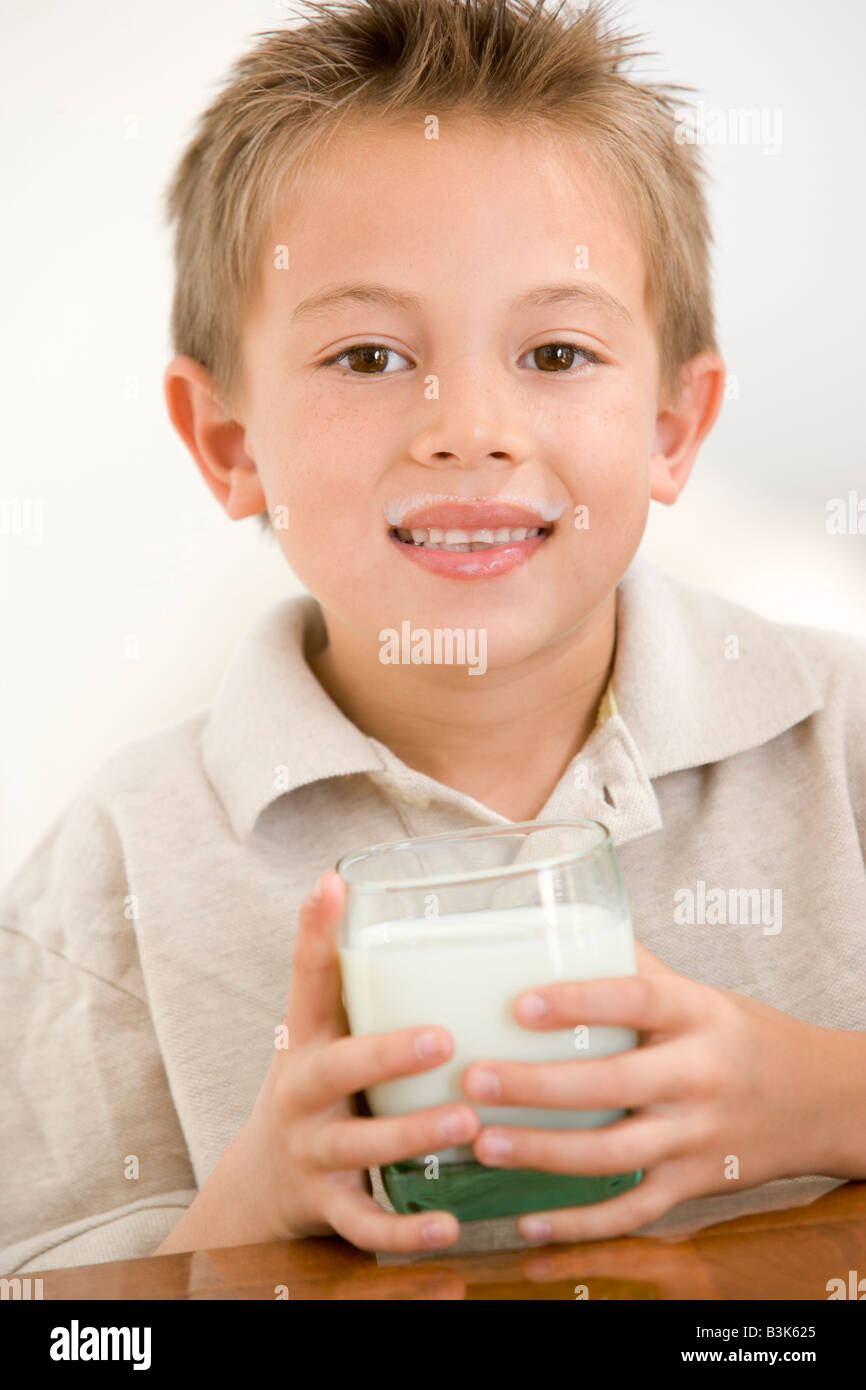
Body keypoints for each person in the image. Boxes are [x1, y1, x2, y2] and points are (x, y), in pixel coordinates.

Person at [3, 0, 865, 1276]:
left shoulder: (836, 742)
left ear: (672, 429)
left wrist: (822, 1096)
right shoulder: (114, 874)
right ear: (231, 446)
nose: (467, 426)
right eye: (366, 354)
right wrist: (253, 1200)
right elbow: (61, 1309)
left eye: (555, 350)